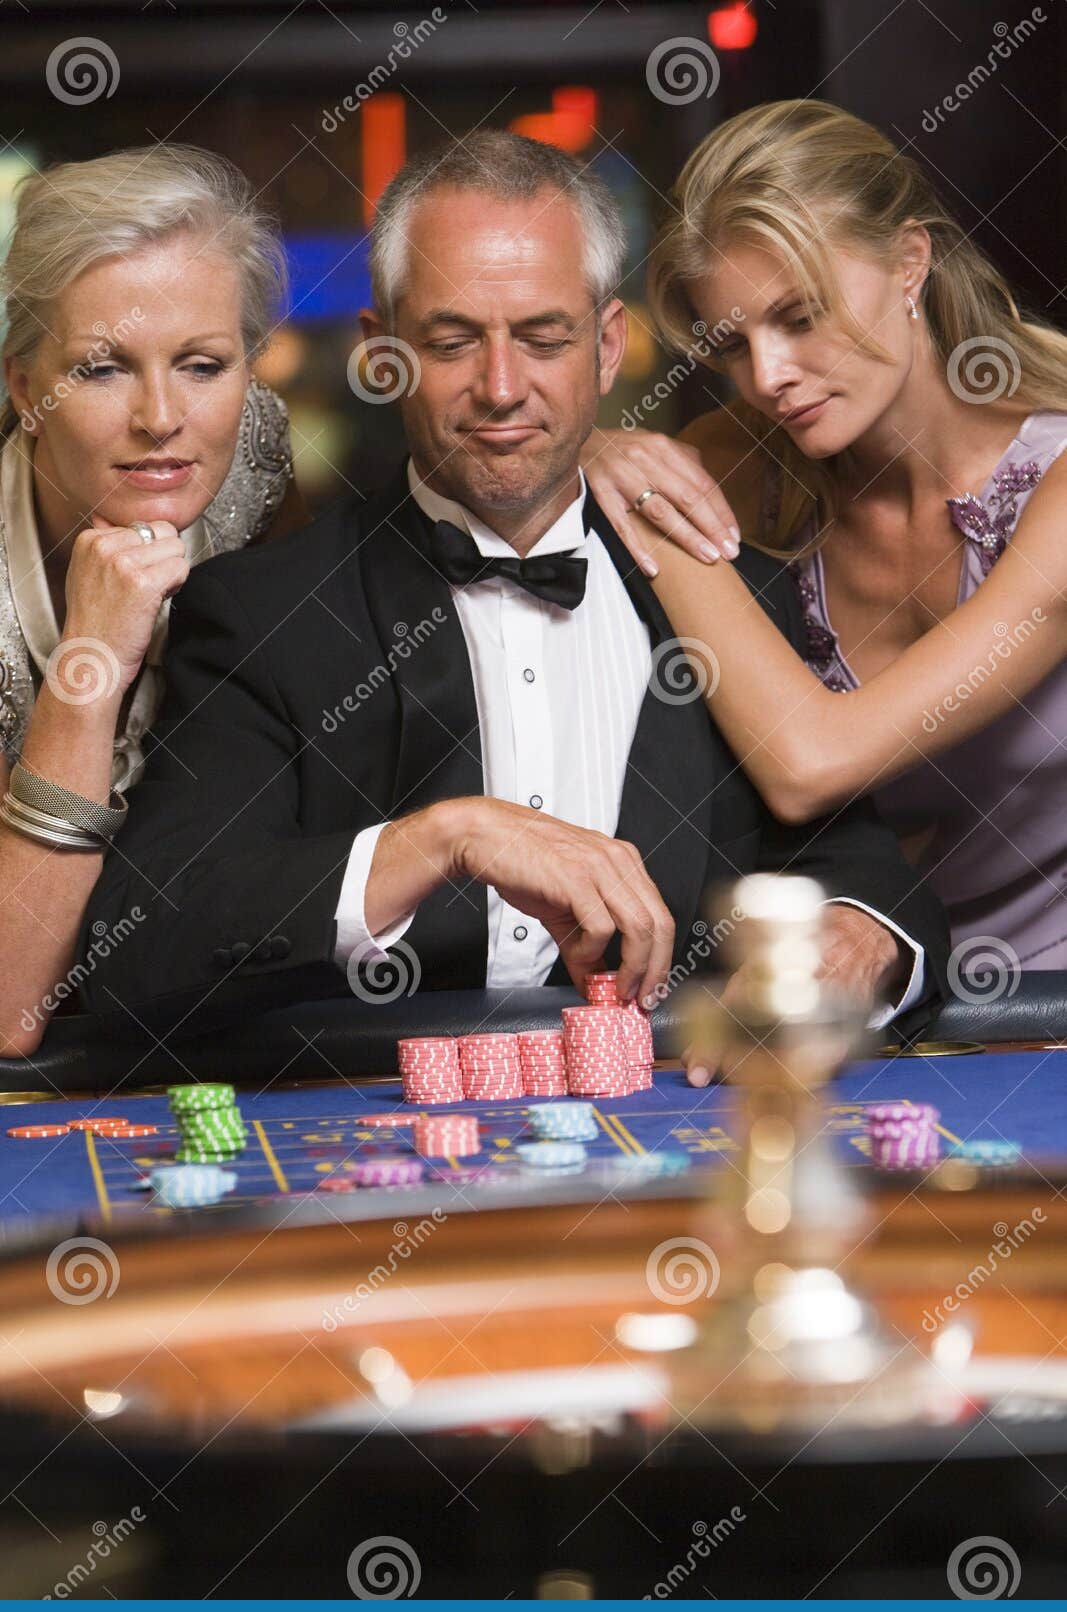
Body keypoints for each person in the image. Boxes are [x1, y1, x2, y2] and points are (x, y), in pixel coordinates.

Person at [78, 131, 950, 1079]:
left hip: (679, 1137)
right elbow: (141, 946)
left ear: (608, 346)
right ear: (383, 354)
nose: (501, 388)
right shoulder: (264, 614)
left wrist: (863, 937)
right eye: (453, 343)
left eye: (543, 339)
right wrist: (446, 837)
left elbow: (865, 873)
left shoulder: (727, 588)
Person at [582, 98, 1067, 970]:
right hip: (866, 1003)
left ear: (910, 261)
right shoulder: (732, 469)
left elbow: (809, 765)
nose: (767, 378)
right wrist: (591, 446)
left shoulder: (1058, 488)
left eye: (799, 319)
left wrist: (641, 488)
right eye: (731, 345)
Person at [0, 144, 300, 1056]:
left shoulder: (253, 453)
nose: (162, 416)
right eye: (101, 369)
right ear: (24, 387)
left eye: (204, 364)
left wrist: (593, 458)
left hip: (181, 1029)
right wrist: (90, 666)